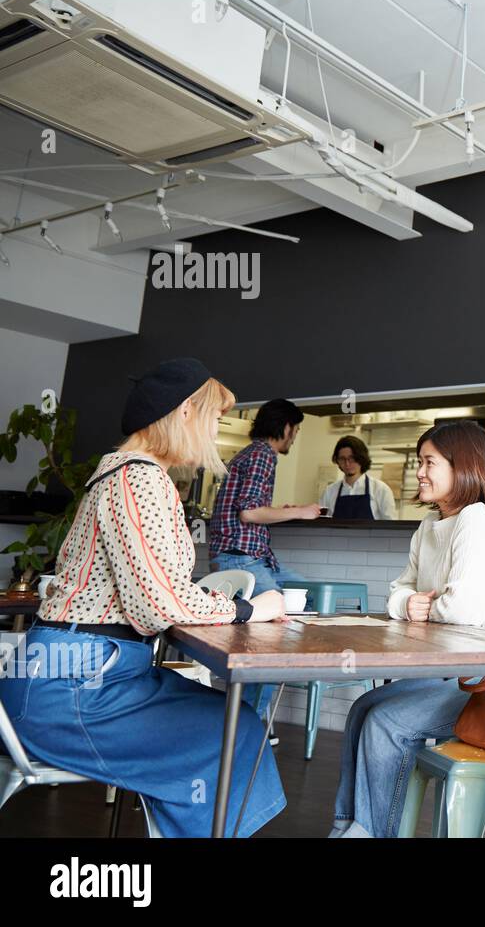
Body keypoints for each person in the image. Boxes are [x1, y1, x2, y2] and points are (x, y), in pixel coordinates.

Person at [0, 358, 288, 837]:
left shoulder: (121, 474)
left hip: (81, 676)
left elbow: (156, 591)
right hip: (78, 690)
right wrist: (250, 608)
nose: (218, 430)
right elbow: (158, 606)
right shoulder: (139, 479)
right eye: (215, 417)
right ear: (185, 414)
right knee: (236, 732)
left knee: (234, 725)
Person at [330, 420, 485, 838]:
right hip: (458, 674)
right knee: (361, 711)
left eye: (428, 462)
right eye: (420, 462)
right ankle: (350, 827)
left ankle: (371, 834)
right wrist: (409, 602)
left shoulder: (475, 520)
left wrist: (422, 606)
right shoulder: (428, 527)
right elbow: (398, 591)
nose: (419, 471)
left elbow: (464, 610)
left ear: (463, 467)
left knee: (387, 721)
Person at [208, 397, 320, 599]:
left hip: (243, 558)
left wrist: (283, 511)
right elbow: (249, 513)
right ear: (287, 427)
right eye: (296, 430)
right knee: (284, 607)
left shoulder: (251, 452)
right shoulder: (263, 455)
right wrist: (301, 511)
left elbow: (250, 506)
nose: (294, 437)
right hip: (239, 560)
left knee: (312, 595)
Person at [319, 435, 397, 520]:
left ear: (361, 458)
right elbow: (322, 527)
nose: (347, 463)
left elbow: (391, 528)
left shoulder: (380, 489)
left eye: (351, 458)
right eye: (342, 459)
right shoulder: (329, 492)